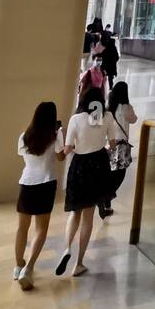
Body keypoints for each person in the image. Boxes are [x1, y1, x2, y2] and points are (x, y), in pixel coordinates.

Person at [58, 87, 109, 277]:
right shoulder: (106, 118)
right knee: (88, 217)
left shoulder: (75, 119)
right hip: (97, 165)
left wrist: (64, 141)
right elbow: (111, 144)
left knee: (75, 213)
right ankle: (78, 263)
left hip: (79, 166)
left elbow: (67, 149)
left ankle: (67, 247)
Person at [15, 102, 64, 290]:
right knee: (41, 229)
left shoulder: (24, 137)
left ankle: (18, 265)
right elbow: (60, 158)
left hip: (26, 183)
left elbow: (24, 156)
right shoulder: (55, 136)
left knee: (22, 228)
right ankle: (29, 268)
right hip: (46, 183)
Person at [101, 81, 137, 218]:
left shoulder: (107, 108)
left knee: (110, 173)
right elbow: (134, 120)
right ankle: (107, 196)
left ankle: (106, 201)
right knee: (120, 174)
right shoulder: (127, 108)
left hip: (109, 145)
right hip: (122, 146)